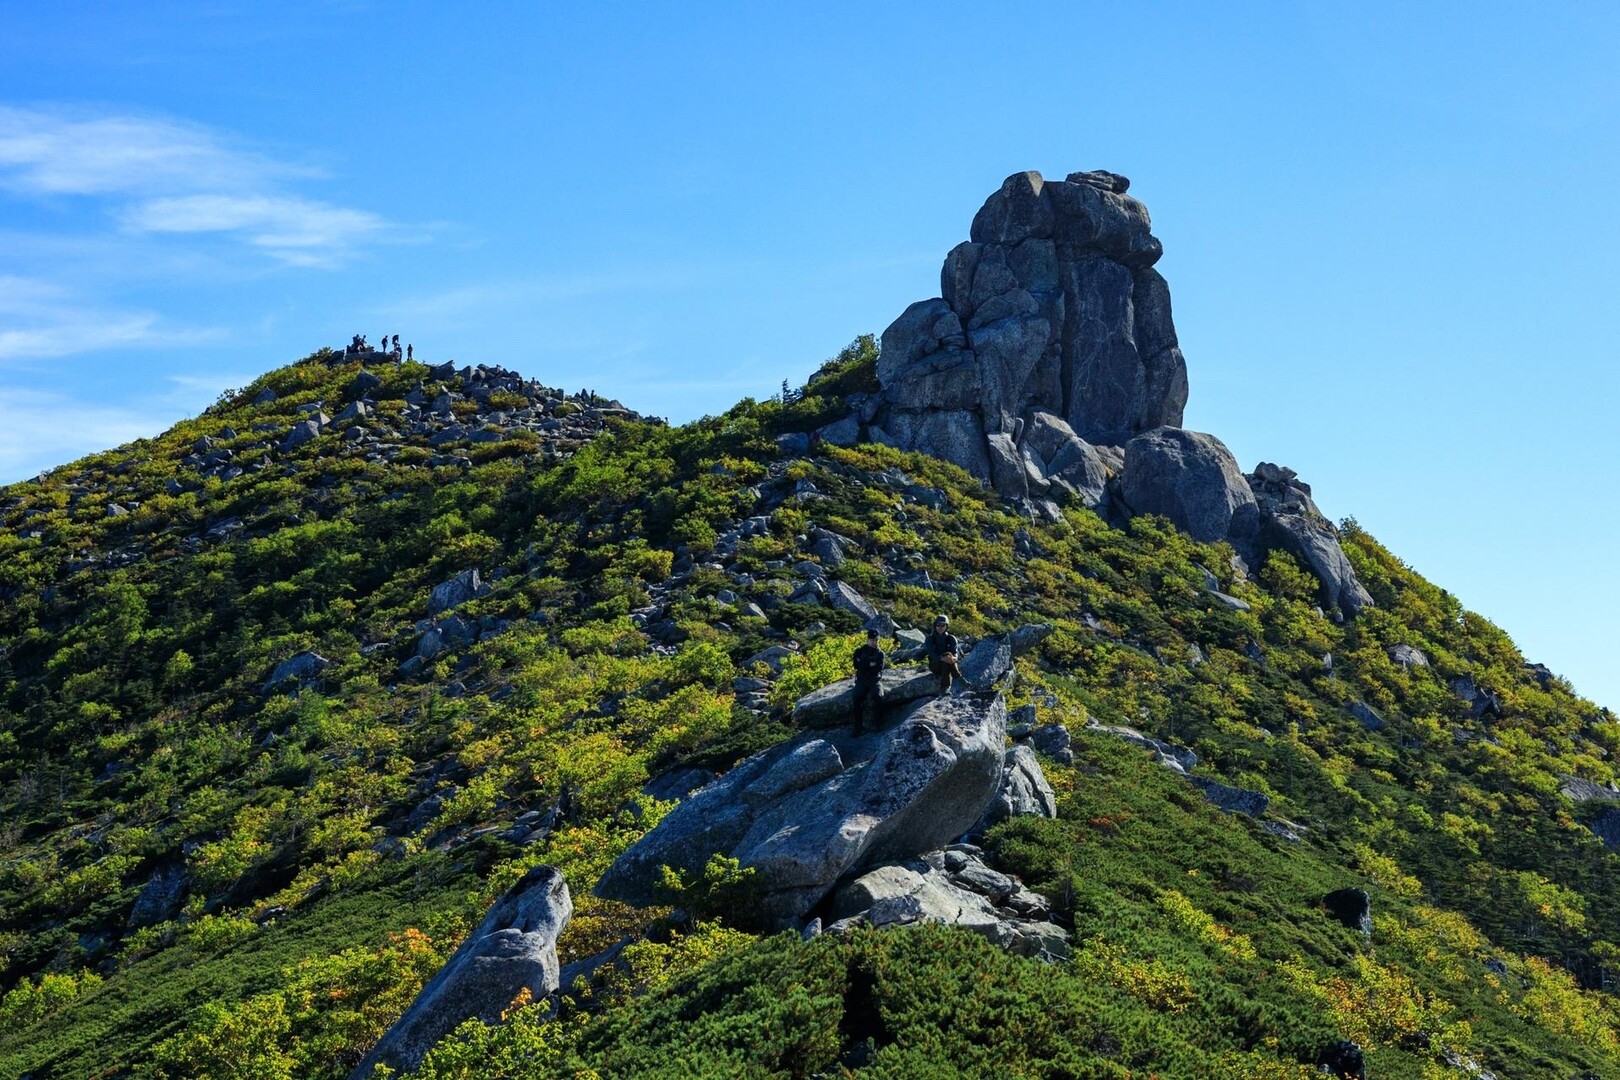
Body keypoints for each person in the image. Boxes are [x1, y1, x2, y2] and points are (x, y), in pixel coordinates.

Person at [851, 628, 886, 735]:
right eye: (872, 640)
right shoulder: (859, 651)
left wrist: (863, 664)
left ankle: (878, 723)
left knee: (878, 696)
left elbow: (878, 668)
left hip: (874, 679)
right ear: (867, 639)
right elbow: (856, 665)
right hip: (861, 680)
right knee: (856, 698)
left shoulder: (880, 654)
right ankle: (858, 726)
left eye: (876, 640)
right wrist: (869, 664)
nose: (874, 642)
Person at [926, 615, 962, 694]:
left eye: (943, 625)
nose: (940, 627)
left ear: (946, 626)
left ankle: (945, 687)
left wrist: (954, 658)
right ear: (935, 626)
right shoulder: (930, 639)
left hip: (949, 663)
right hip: (935, 665)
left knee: (948, 656)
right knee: (946, 657)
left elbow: (955, 653)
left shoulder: (951, 638)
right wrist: (942, 658)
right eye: (938, 625)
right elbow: (932, 654)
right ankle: (957, 678)